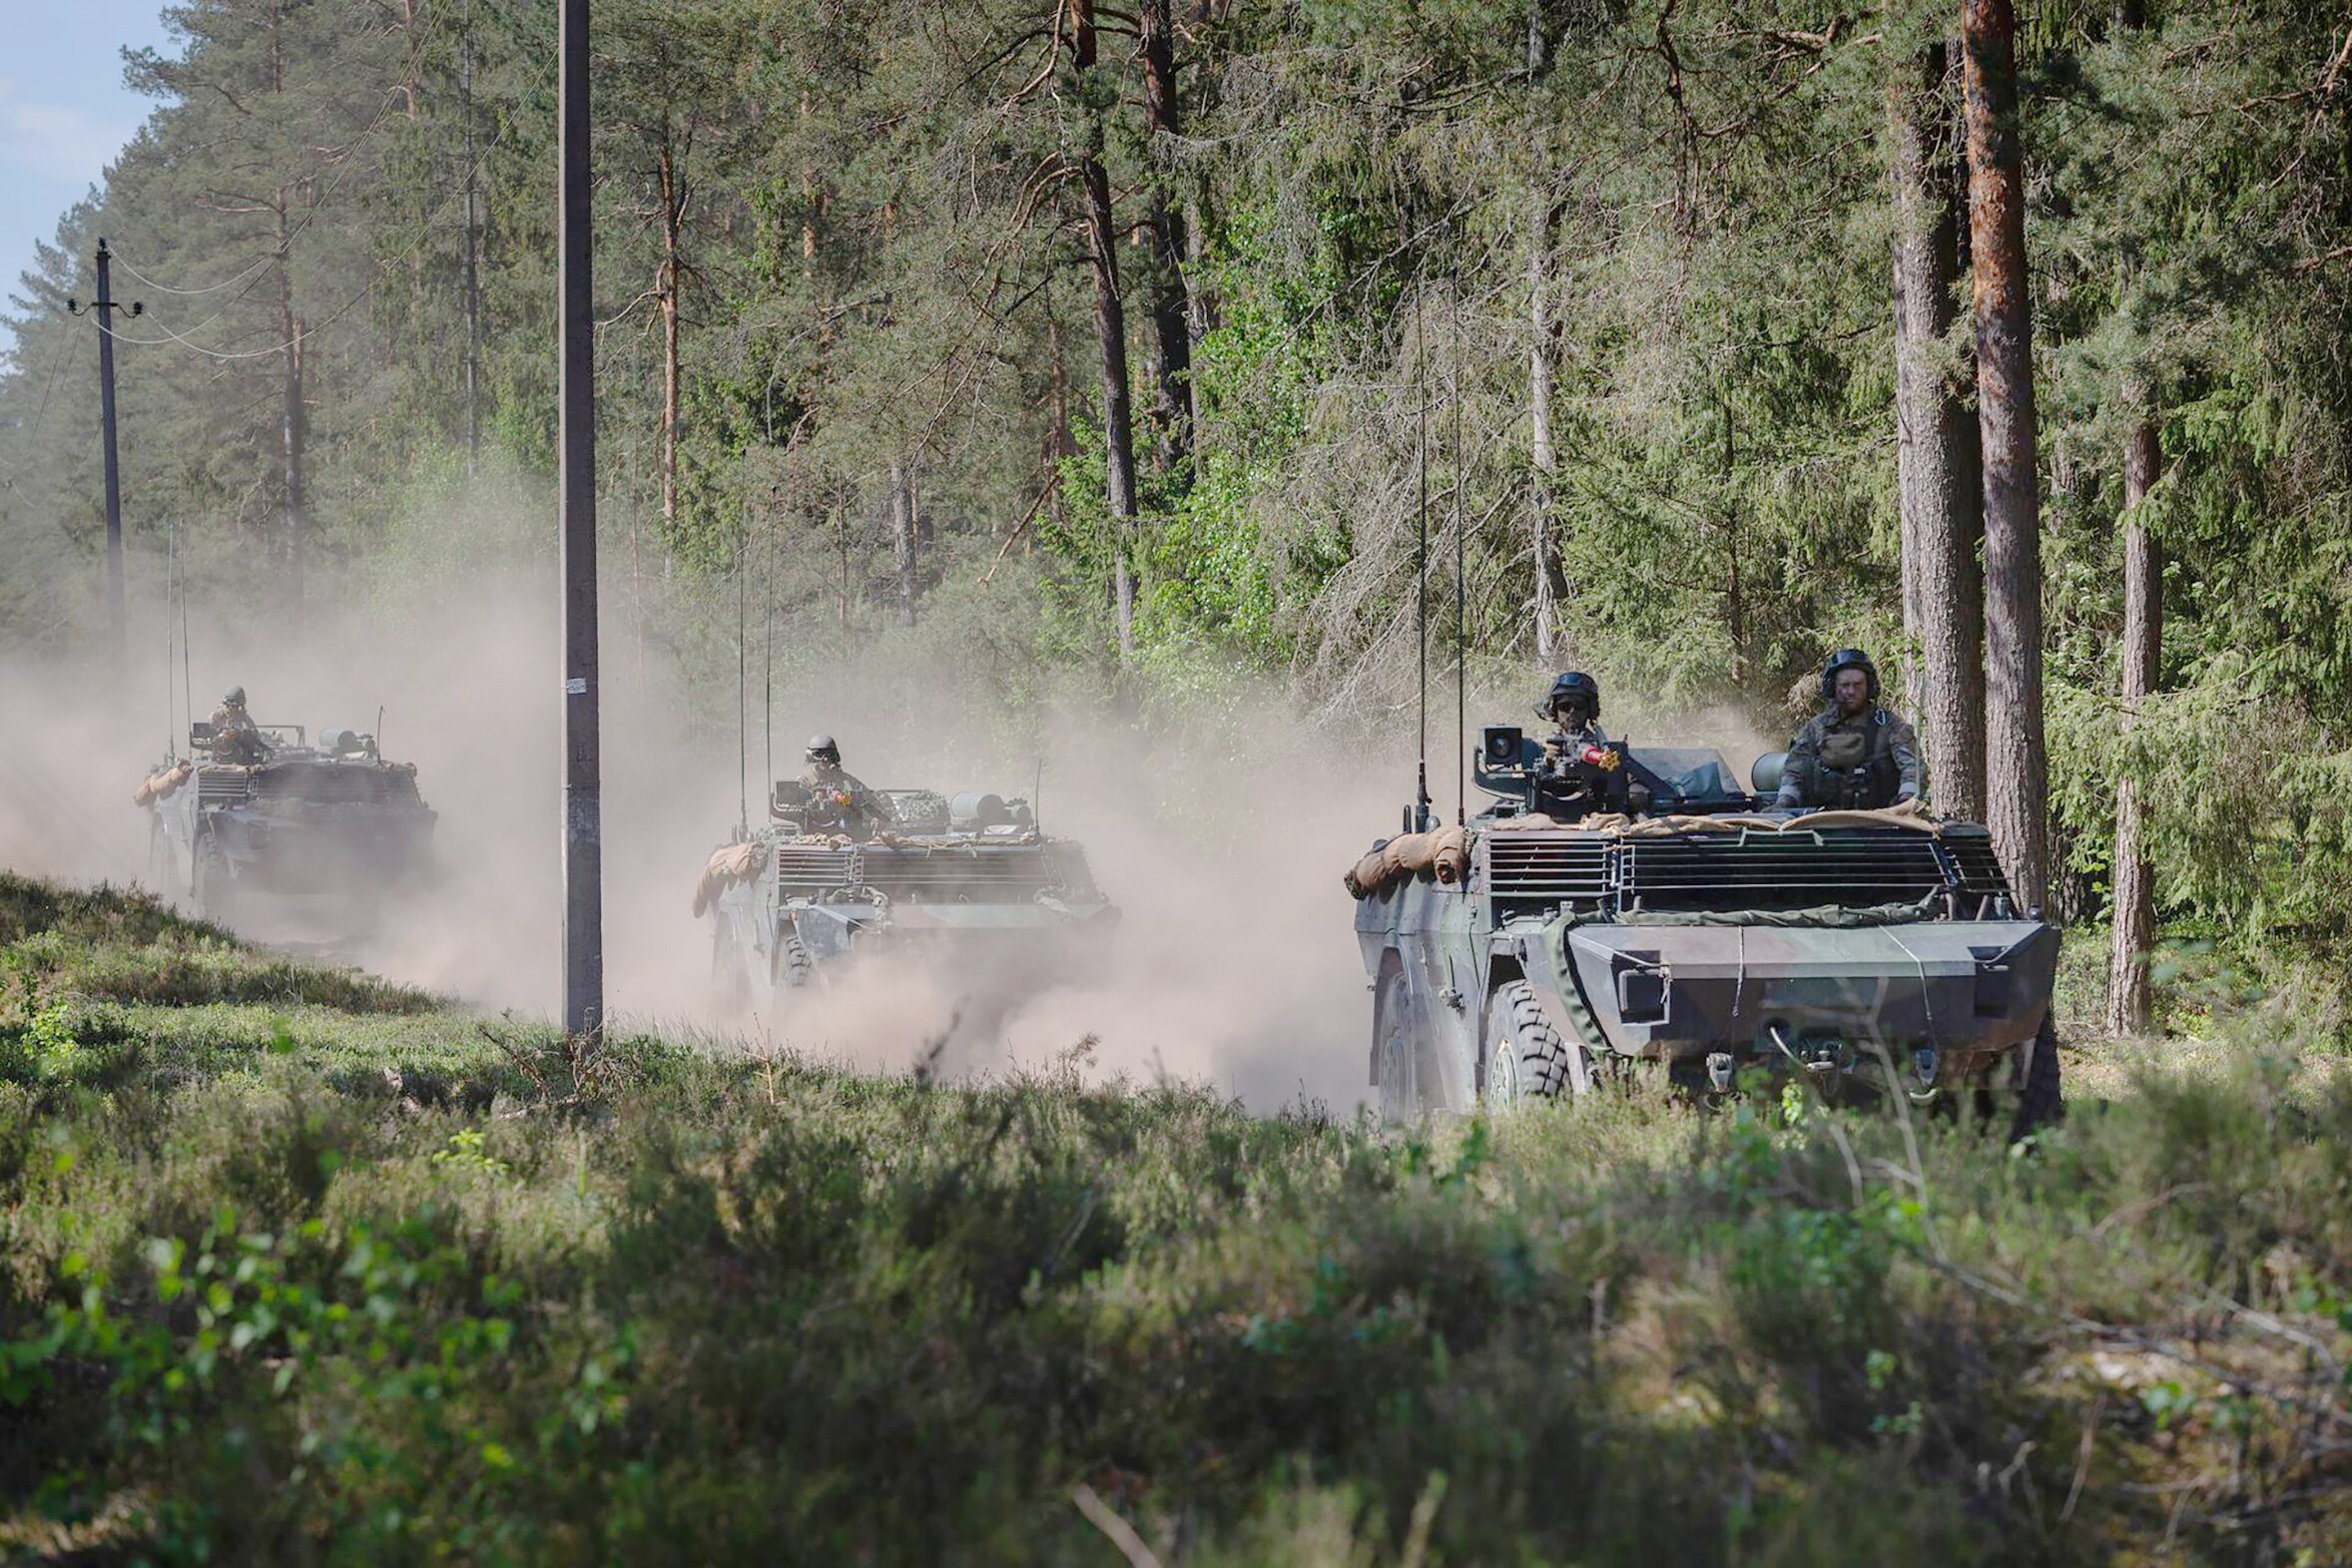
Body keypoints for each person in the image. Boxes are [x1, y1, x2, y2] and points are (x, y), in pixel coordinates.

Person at [1775, 649, 1921, 811]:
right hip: (1823, 818)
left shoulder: (1889, 725)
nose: (1851, 691)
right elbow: (1794, 770)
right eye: (1845, 685)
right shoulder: (1815, 728)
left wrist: (1906, 802)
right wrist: (1785, 803)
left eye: (1858, 685)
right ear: (1832, 687)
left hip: (1882, 818)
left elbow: (1912, 767)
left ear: (1869, 686)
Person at [798, 734, 882, 833]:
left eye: (829, 755)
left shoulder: (846, 780)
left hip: (845, 830)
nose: (825, 759)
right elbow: (795, 808)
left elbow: (869, 800)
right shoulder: (804, 781)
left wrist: (875, 817)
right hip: (811, 829)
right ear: (811, 756)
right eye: (820, 755)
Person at [207, 686, 268, 765]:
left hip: (239, 756)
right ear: (228, 705)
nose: (238, 709)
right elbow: (208, 733)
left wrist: (244, 719)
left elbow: (254, 733)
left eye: (240, 706)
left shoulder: (242, 716)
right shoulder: (216, 716)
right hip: (219, 754)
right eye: (235, 706)